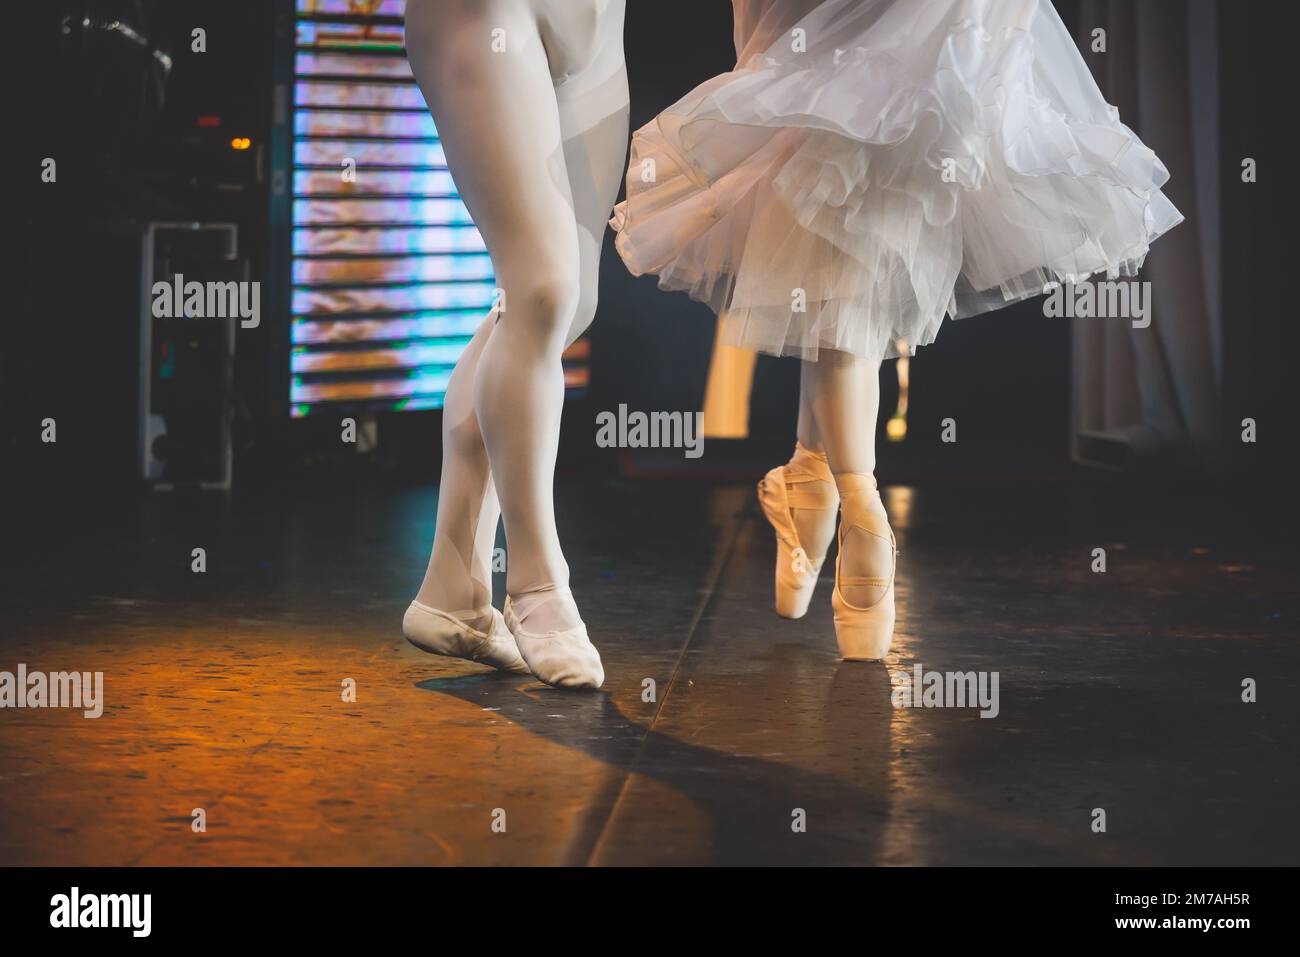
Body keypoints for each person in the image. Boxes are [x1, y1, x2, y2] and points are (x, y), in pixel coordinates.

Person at [611, 0, 1182, 659]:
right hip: (906, 43)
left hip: (907, 36)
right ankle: (828, 492)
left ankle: (846, 503)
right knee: (838, 266)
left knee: (840, 263)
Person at [401, 0, 629, 689]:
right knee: (543, 288)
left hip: (599, 28)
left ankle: (453, 587)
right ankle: (535, 581)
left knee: (569, 305)